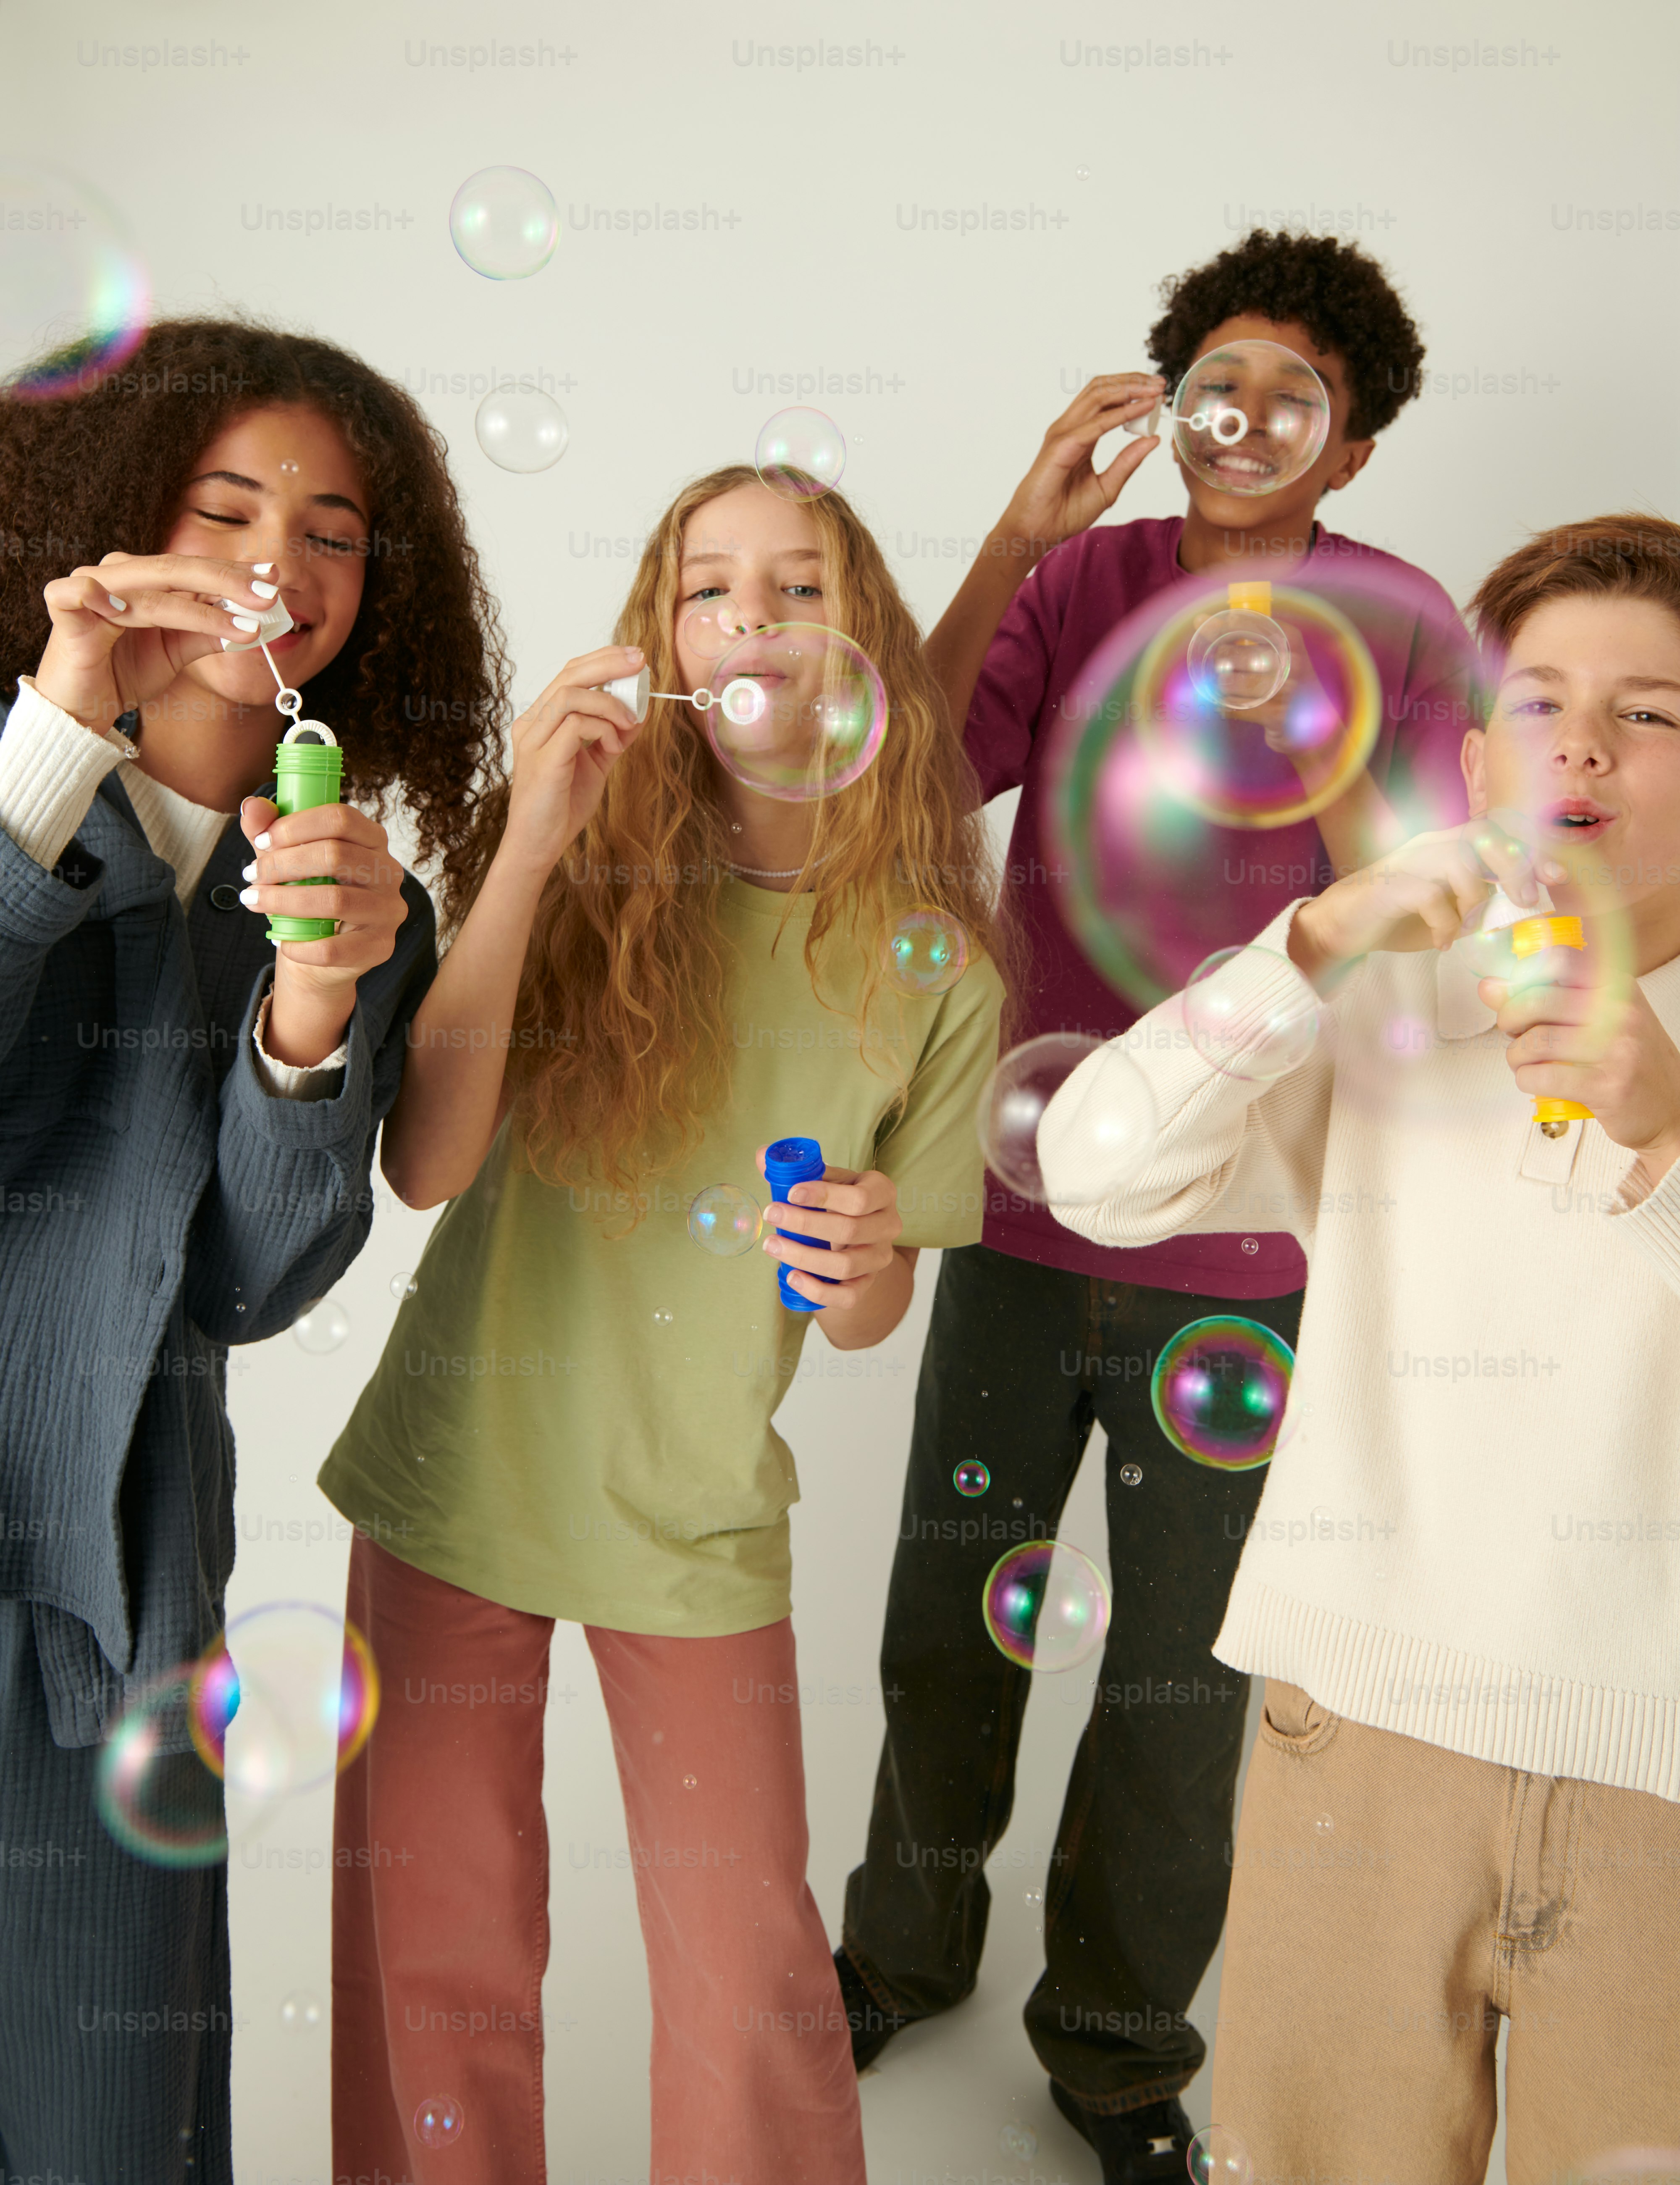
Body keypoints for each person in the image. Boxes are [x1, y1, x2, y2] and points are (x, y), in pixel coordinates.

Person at [835, 228, 1478, 2180]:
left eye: (1299, 395)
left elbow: (1426, 925)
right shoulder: (1083, 586)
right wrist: (1014, 536)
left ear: (1348, 450)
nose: (1248, 414)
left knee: (1185, 1678)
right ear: (1171, 403)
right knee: (949, 1620)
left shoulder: (1399, 621)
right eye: (1220, 378)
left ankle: (1116, 2051)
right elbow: (904, 779)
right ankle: (900, 1951)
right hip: (1022, 1208)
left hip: (1250, 1260)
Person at [317, 463, 1010, 2185]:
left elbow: (871, 1316)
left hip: (696, 1505)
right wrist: (532, 842)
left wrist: (861, 1261)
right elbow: (424, 1161)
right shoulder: (572, 865)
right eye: (710, 587)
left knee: (751, 1972)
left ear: (864, 643)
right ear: (664, 635)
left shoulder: (931, 964)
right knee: (435, 1947)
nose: (751, 617)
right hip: (458, 1466)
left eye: (799, 585)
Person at [1037, 510, 1680, 2182]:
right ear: (1472, 766)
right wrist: (1311, 943)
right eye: (1538, 703)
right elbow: (1094, 1169)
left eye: (1651, 712)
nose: (1586, 744)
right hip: (1364, 1732)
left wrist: (1668, 1123)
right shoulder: (1384, 1006)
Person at [0, 318, 508, 2182]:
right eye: (224, 508)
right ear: (114, 514)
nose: (278, 557)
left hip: (117, 1559)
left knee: (105, 2116)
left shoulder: (357, 897)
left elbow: (244, 1282)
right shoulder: (19, 774)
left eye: (335, 532)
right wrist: (58, 732)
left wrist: (311, 1005)